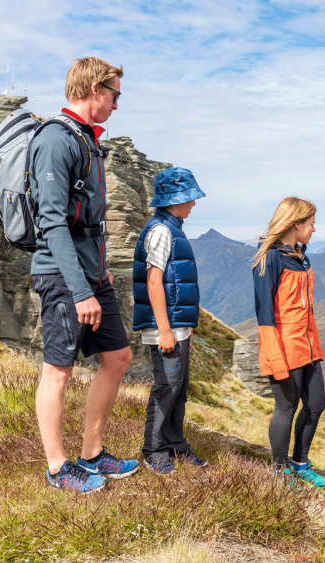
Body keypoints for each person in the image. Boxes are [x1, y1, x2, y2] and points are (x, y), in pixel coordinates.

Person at [32, 57, 138, 493]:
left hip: (91, 275)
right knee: (59, 370)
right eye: (115, 94)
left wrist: (101, 274)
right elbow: (53, 223)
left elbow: (88, 220)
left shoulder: (88, 141)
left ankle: (92, 454)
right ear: (95, 89)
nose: (117, 105)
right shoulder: (57, 141)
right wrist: (80, 290)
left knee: (118, 358)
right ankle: (58, 468)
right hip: (63, 277)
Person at [132, 167, 208, 474]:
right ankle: (154, 452)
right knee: (166, 387)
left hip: (177, 329)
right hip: (166, 330)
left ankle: (176, 444)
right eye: (190, 197)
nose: (194, 203)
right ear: (175, 199)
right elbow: (154, 282)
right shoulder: (162, 231)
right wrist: (165, 330)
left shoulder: (171, 226)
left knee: (178, 387)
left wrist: (182, 328)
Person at [252, 197, 325, 487]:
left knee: (316, 404)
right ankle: (279, 471)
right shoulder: (270, 257)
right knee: (286, 408)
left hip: (308, 346)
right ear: (296, 224)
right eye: (311, 224)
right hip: (283, 346)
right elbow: (264, 313)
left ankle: (299, 462)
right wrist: (273, 356)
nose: (313, 229)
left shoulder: (300, 255)